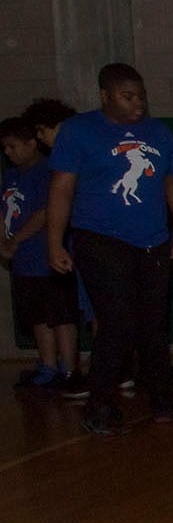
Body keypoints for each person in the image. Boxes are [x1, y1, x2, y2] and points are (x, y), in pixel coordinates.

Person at [44, 63, 173, 434]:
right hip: (100, 238)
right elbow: (61, 188)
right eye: (128, 96)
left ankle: (161, 398)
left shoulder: (158, 132)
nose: (137, 103)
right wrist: (55, 241)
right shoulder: (79, 132)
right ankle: (100, 405)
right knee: (117, 322)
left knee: (154, 325)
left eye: (141, 95)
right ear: (106, 96)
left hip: (153, 240)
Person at [1, 116, 79, 388]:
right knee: (37, 316)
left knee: (60, 315)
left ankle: (69, 368)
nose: (8, 153)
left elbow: (46, 212)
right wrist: (5, 241)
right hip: (24, 262)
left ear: (32, 143)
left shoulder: (48, 170)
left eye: (13, 147)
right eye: (5, 148)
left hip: (47, 258)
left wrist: (16, 239)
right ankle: (47, 365)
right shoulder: (10, 175)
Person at [21, 98, 88, 401]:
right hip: (75, 245)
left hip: (92, 243)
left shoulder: (76, 154)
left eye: (41, 131)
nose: (39, 139)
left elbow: (54, 207)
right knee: (89, 308)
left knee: (98, 309)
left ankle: (99, 371)